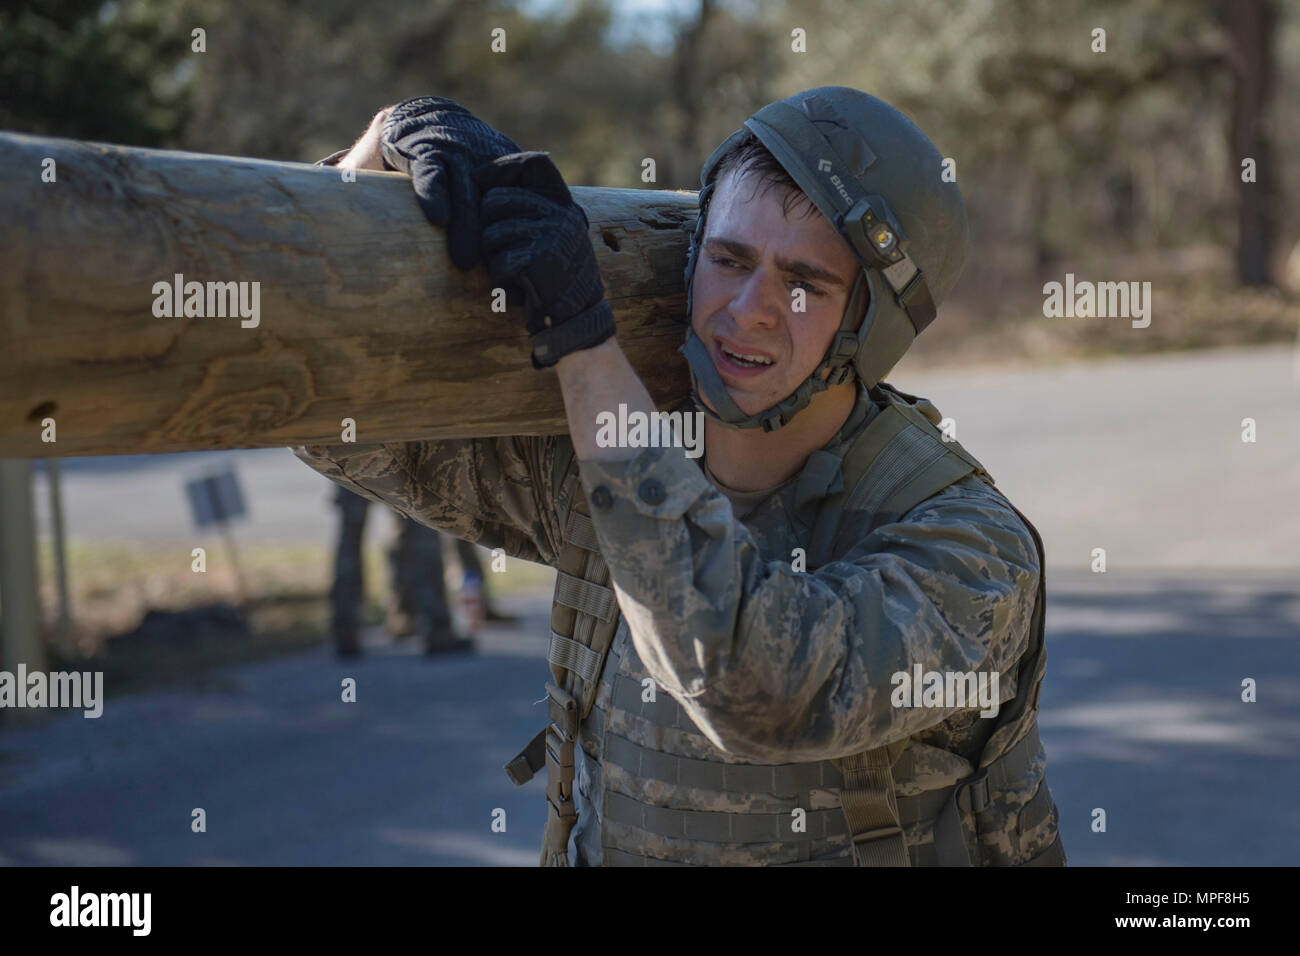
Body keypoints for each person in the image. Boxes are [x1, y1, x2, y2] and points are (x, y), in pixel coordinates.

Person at [295, 88, 1065, 867]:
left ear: (874, 324)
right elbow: (338, 427)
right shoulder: (597, 464)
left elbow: (754, 687)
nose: (749, 309)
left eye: (805, 284)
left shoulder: (973, 551)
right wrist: (384, 146)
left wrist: (582, 342)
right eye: (728, 260)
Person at [329, 485, 474, 656]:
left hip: (349, 460)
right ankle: (435, 627)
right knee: (420, 528)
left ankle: (346, 630)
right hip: (401, 464)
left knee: (350, 540)